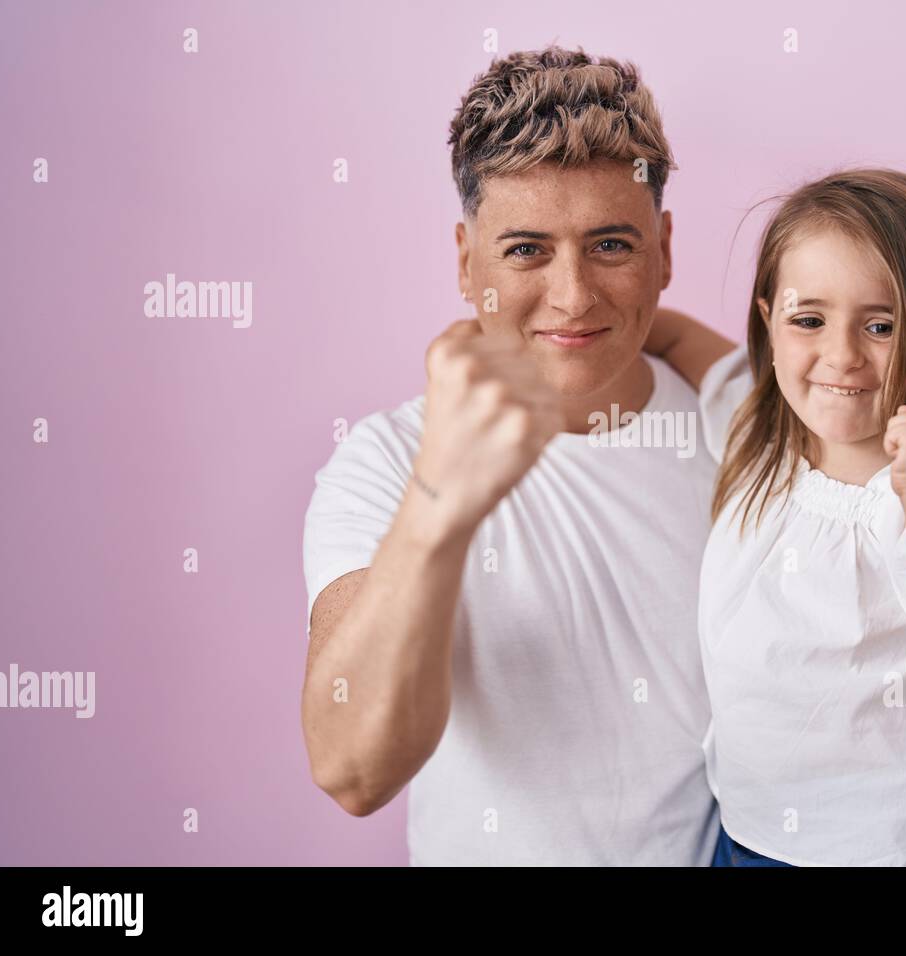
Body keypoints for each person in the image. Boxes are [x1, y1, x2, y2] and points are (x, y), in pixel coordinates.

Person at [300, 46, 729, 865]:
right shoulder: (386, 462)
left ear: (664, 251)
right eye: (527, 250)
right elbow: (353, 769)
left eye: (611, 245)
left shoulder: (742, 439)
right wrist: (443, 501)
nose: (573, 296)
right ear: (468, 262)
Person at [646, 168, 906, 866]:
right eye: (809, 319)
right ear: (768, 321)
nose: (841, 356)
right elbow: (681, 343)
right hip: (746, 825)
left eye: (881, 326)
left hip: (872, 851)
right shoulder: (761, 429)